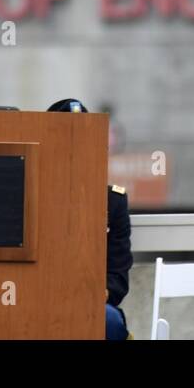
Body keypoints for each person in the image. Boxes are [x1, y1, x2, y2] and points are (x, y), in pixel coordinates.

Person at [46, 98, 133, 340]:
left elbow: (117, 277)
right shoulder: (29, 193)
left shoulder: (112, 202)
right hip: (35, 296)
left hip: (90, 301)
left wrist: (89, 295)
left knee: (110, 321)